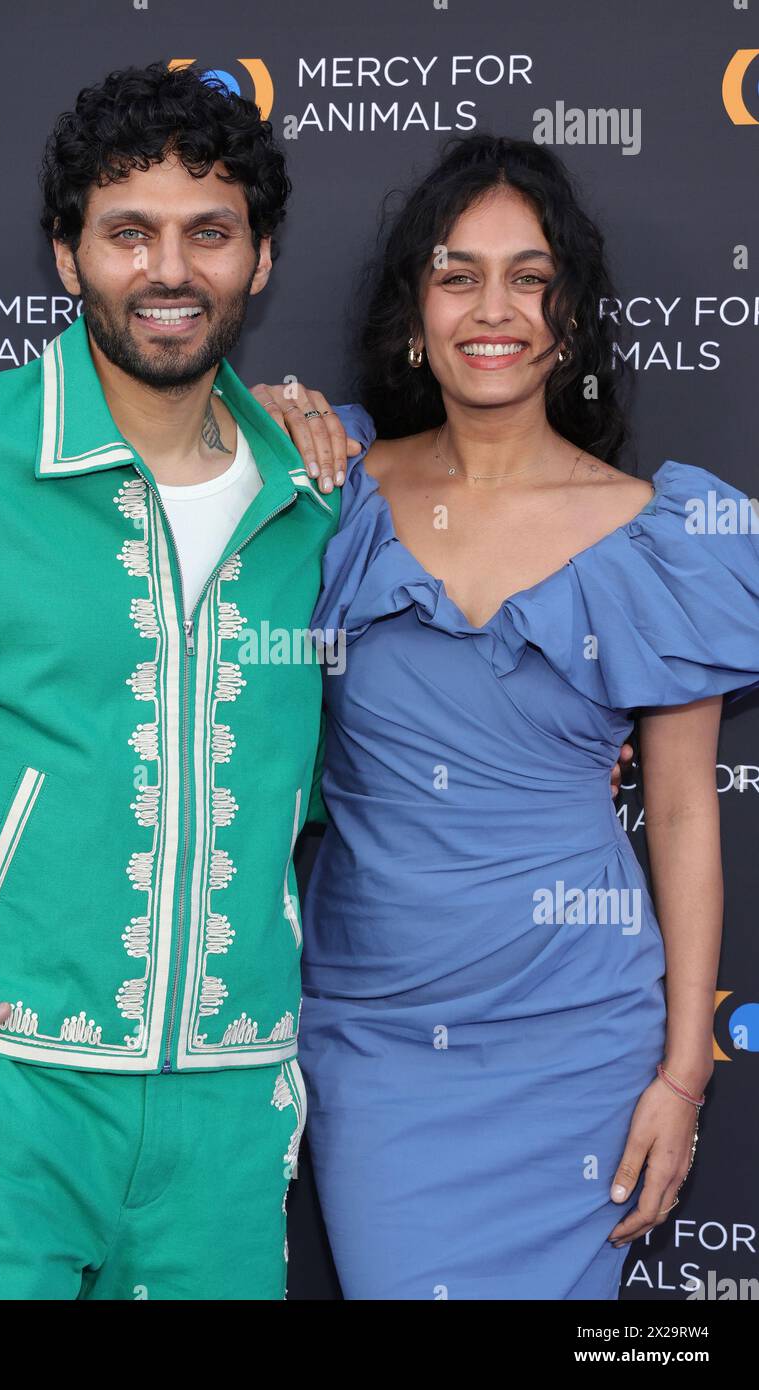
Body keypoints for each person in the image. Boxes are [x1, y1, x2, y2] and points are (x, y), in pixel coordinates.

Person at [0, 61, 361, 1302]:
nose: (169, 271)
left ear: (260, 259)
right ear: (67, 258)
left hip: (228, 1123)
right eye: (129, 232)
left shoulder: (313, 496)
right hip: (1, 1096)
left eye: (207, 233)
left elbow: (342, 764)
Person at [252, 133, 759, 1299]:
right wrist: (265, 412)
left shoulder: (659, 536)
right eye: (456, 273)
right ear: (413, 313)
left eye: (529, 278)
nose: (494, 308)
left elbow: (682, 816)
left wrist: (680, 1078)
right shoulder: (326, 492)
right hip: (376, 1035)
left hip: (576, 1037)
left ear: (567, 319)